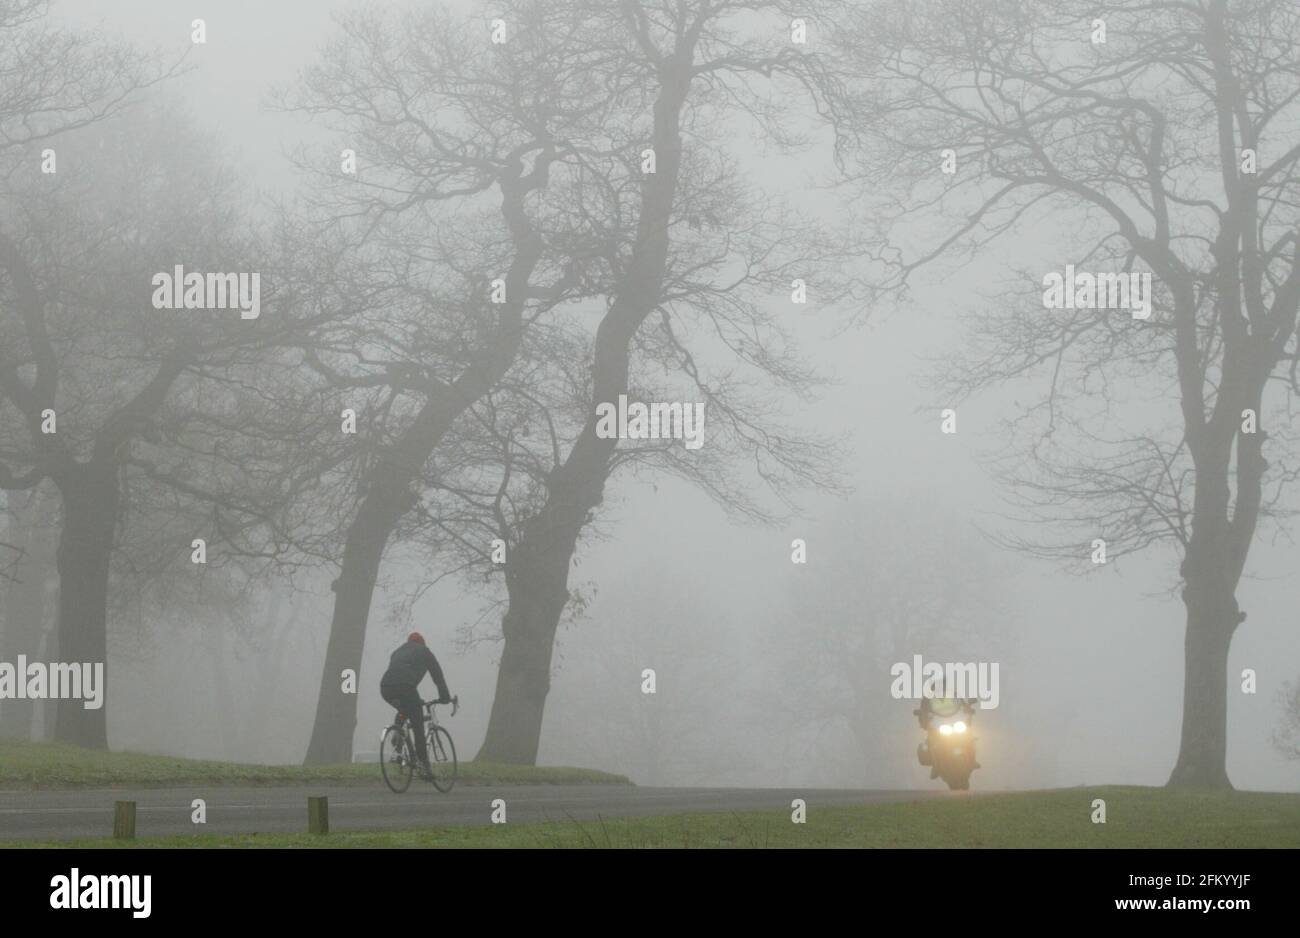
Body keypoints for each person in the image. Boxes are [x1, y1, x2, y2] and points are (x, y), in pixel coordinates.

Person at [380, 632, 452, 779]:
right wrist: (445, 697)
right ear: (423, 643)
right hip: (406, 687)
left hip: (386, 688)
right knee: (418, 724)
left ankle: (398, 738)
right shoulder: (424, 651)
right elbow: (437, 675)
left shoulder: (397, 652)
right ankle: (424, 767)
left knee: (404, 709)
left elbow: (397, 673)